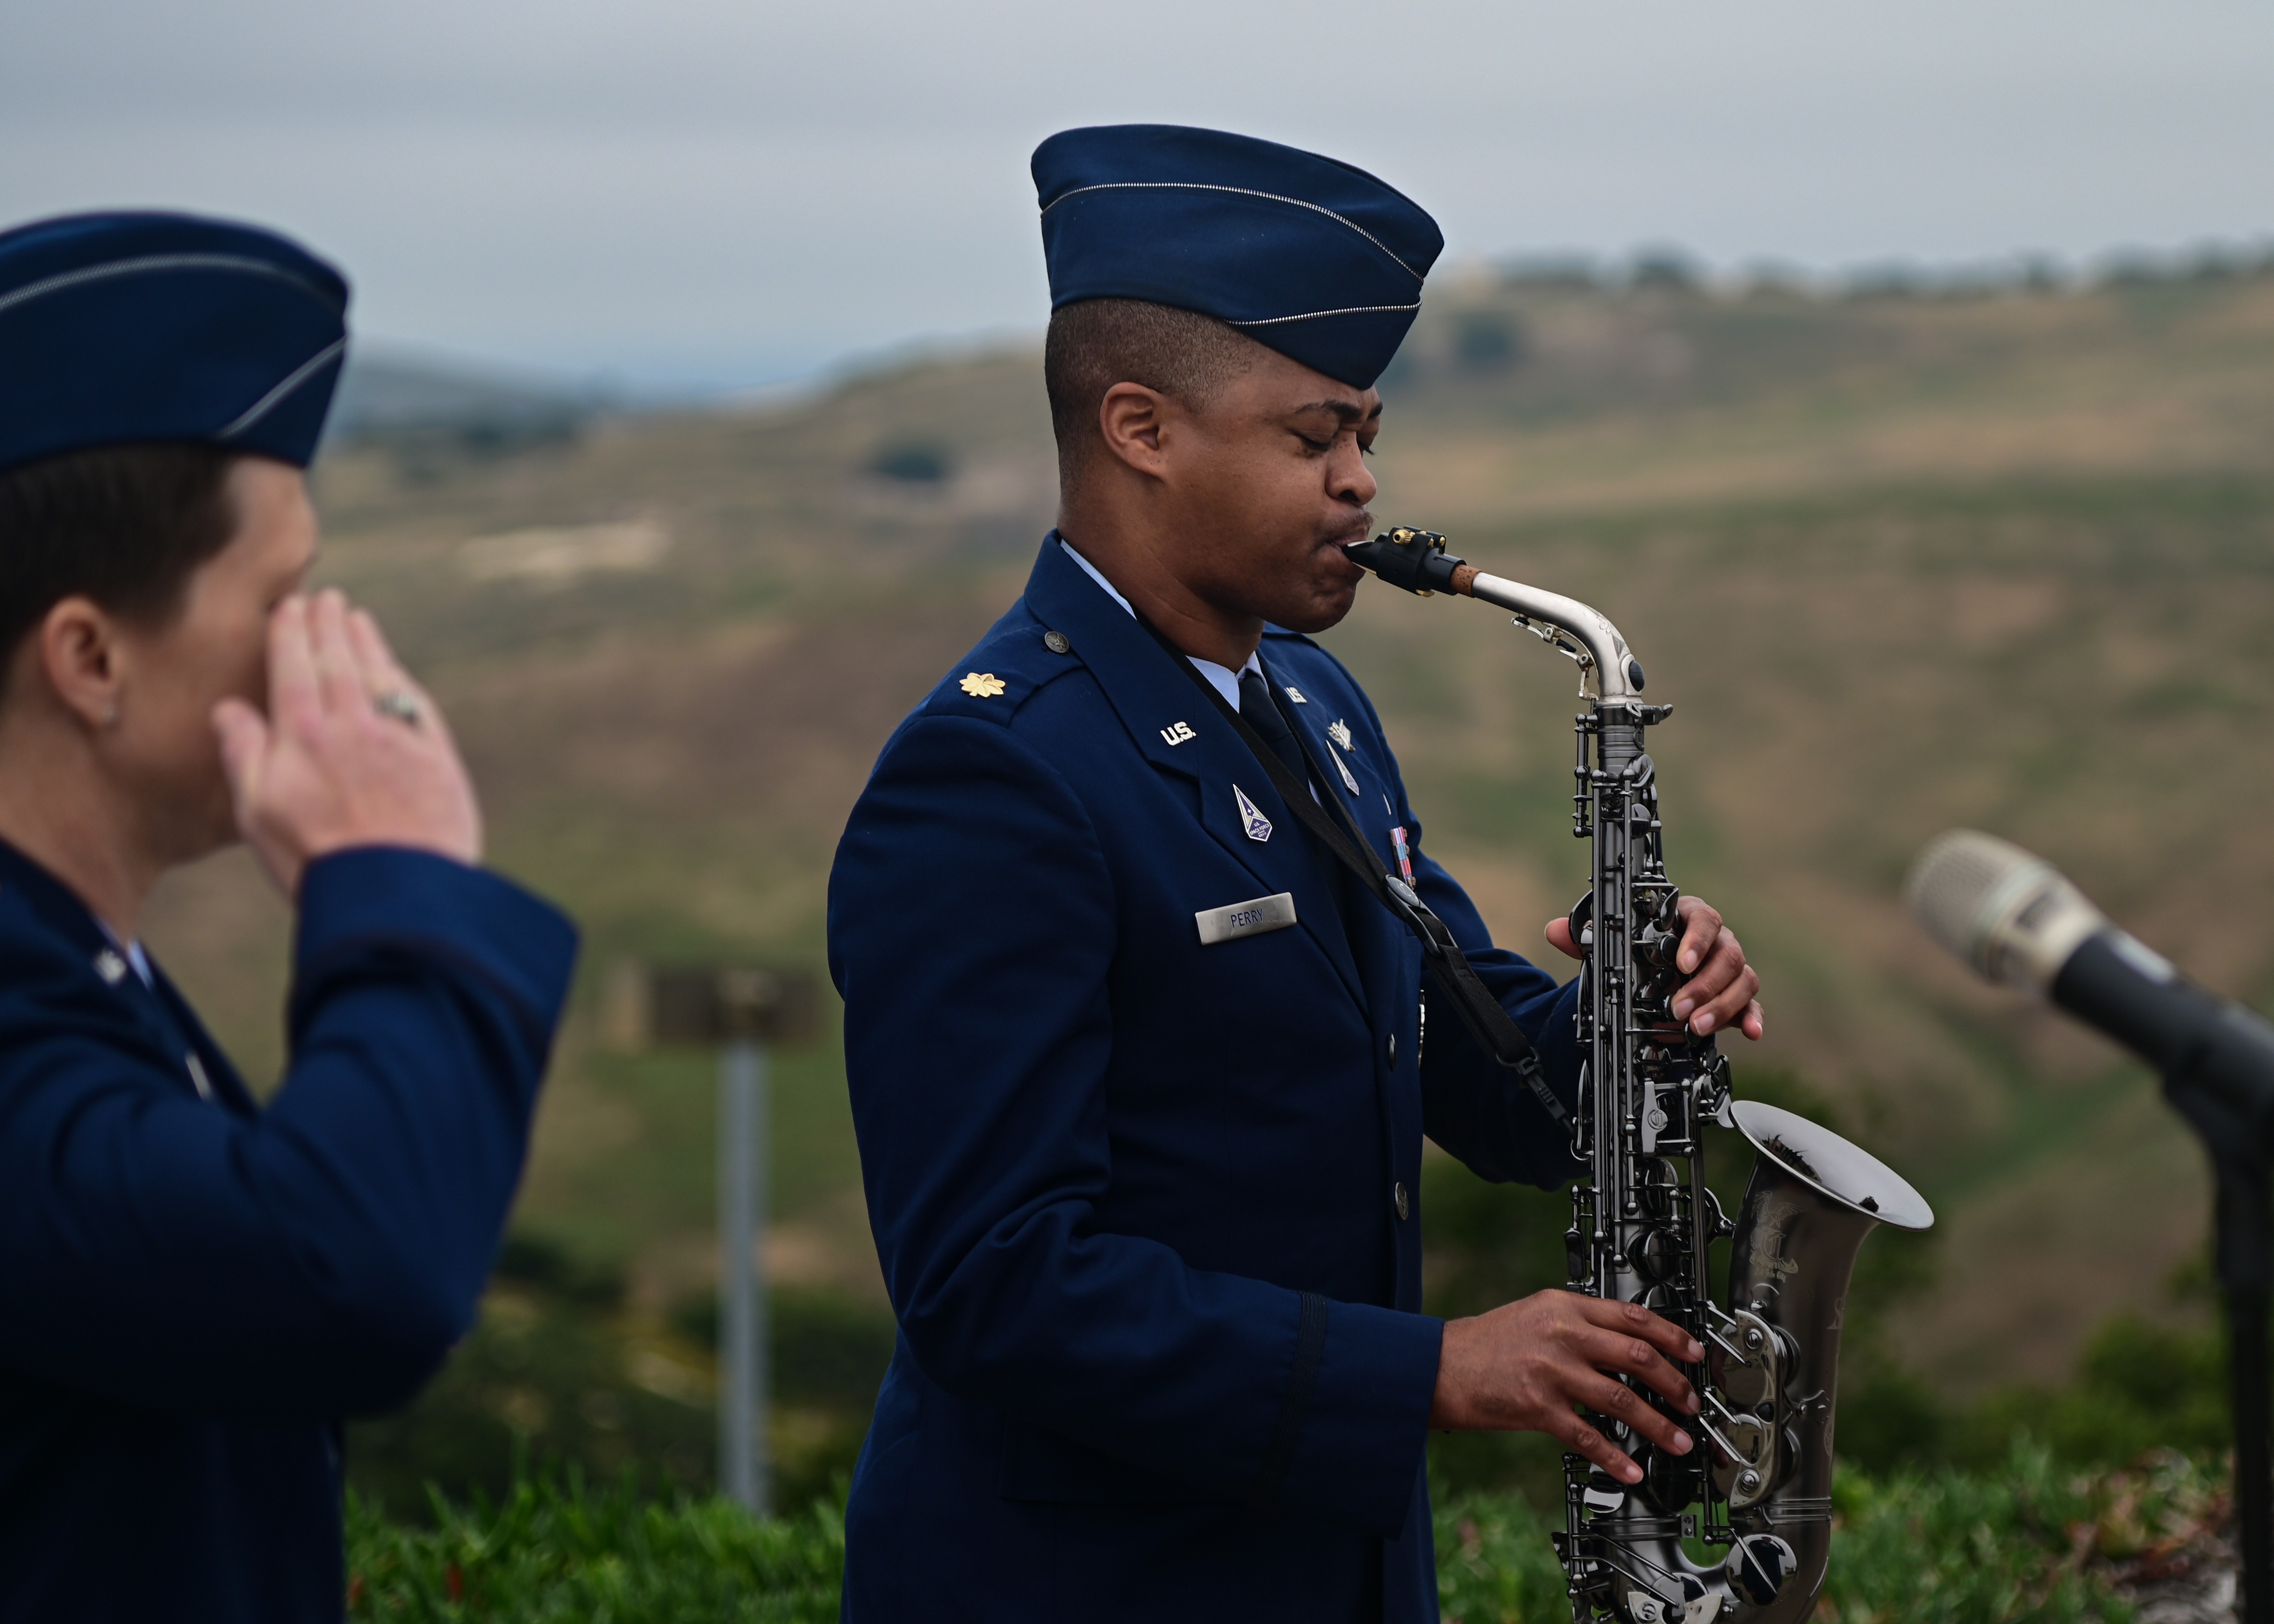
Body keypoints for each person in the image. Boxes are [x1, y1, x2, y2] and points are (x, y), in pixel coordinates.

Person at [827, 126, 1766, 1622]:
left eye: (1364, 435)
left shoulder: (1310, 703)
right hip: (1089, 1582)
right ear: (1140, 428)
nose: (1361, 483)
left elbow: (1471, 1067)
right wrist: (1438, 1369)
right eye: (1310, 437)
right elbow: (991, 1280)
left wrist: (1633, 1023)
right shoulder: (992, 779)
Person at [0, 211, 578, 1621]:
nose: (322, 642)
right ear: (89, 657)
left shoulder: (76, 964)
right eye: (282, 595)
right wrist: (394, 873)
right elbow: (343, 1273)